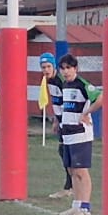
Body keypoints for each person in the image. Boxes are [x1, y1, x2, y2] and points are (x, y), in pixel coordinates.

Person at [49, 53, 102, 215]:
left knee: (81, 171)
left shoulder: (82, 84)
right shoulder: (64, 85)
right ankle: (76, 204)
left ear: (75, 69)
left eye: (68, 68)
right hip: (68, 133)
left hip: (81, 133)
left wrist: (86, 113)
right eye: (62, 68)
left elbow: (100, 98)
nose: (65, 71)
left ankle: (85, 208)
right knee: (71, 170)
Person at [37, 52, 71, 200]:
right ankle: (70, 186)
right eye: (43, 67)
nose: (46, 70)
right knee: (63, 151)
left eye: (48, 66)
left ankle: (69, 187)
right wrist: (56, 120)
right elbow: (57, 102)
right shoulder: (48, 81)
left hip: (70, 120)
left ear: (54, 66)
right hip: (62, 120)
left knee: (66, 151)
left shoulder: (61, 81)